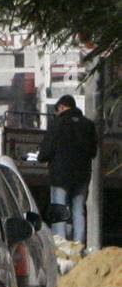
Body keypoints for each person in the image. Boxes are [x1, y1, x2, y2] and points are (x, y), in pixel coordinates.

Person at [37, 95, 97, 243]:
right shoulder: (88, 125)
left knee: (59, 211)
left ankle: (61, 245)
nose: (56, 113)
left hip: (60, 176)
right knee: (78, 211)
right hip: (82, 176)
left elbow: (47, 150)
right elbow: (93, 152)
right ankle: (78, 245)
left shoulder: (57, 124)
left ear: (62, 107)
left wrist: (42, 158)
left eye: (57, 109)